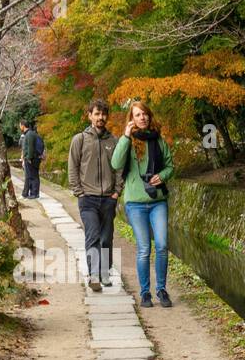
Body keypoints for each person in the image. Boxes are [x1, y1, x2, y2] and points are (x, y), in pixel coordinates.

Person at [111, 99, 174, 308]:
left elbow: (170, 166)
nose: (142, 118)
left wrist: (162, 176)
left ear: (149, 115)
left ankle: (162, 290)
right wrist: (125, 136)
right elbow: (116, 163)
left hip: (158, 201)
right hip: (136, 203)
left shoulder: (159, 140)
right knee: (144, 249)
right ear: (132, 119)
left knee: (163, 246)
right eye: (137, 115)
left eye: (144, 114)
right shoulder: (128, 142)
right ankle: (145, 292)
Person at [68, 100, 123, 292]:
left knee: (106, 238)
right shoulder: (80, 140)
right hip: (88, 199)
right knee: (92, 236)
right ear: (89, 115)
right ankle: (93, 275)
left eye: (104, 114)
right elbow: (73, 167)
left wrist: (117, 192)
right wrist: (79, 192)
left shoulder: (114, 141)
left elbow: (119, 169)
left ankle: (105, 272)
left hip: (108, 198)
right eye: (97, 114)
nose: (101, 118)